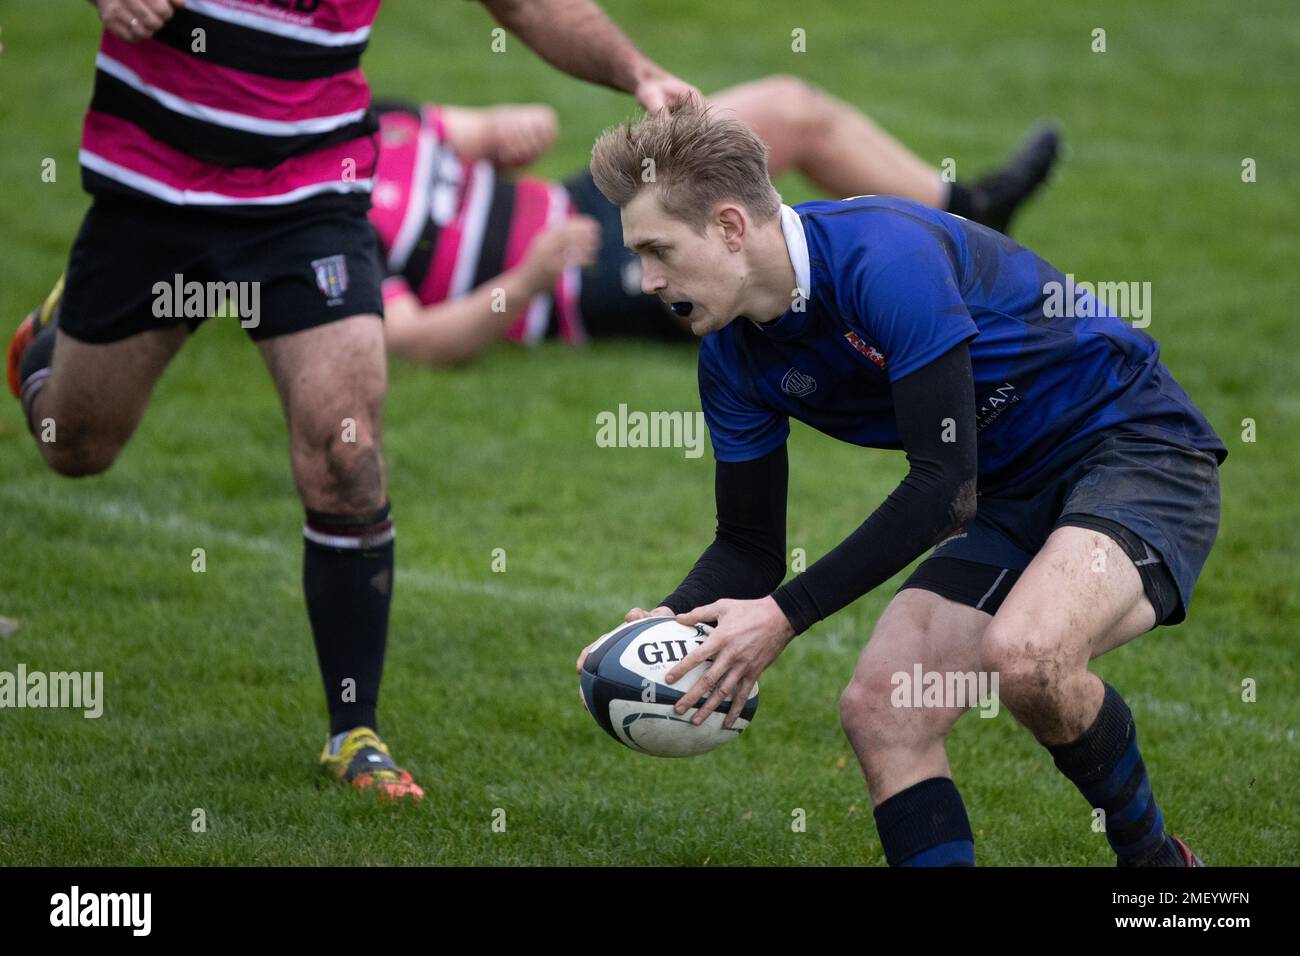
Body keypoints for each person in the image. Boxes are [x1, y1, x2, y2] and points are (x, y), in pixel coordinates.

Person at [6, 0, 696, 803]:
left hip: (309, 197)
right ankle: (48, 344)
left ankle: (353, 732)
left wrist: (636, 70)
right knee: (76, 444)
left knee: (347, 449)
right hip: (156, 188)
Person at [577, 103, 1225, 866]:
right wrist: (667, 620)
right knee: (884, 709)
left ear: (728, 227)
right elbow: (748, 545)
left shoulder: (883, 257)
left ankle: (1156, 864)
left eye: (659, 250)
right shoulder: (730, 356)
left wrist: (783, 617)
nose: (646, 279)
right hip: (1010, 487)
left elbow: (943, 487)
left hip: (1133, 446)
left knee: (1030, 655)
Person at [370, 78, 1059, 367]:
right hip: (579, 281)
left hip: (583, 199)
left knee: (787, 107)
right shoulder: (336, 222)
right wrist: (525, 282)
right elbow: (416, 346)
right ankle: (949, 308)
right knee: (762, 249)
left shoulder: (384, 120)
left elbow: (483, 131)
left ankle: (969, 213)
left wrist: (517, 126)